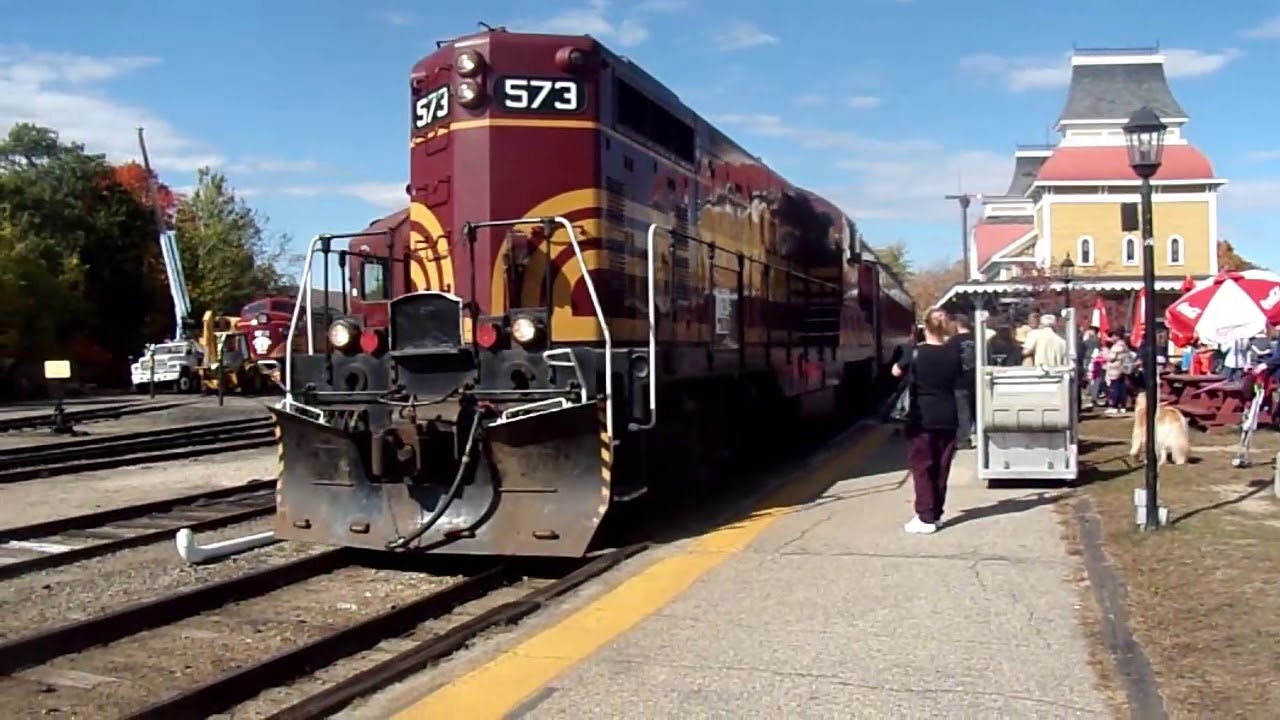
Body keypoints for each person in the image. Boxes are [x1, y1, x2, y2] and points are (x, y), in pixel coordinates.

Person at [891, 308, 963, 535]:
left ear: (925, 327)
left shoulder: (915, 353)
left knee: (922, 466)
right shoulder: (954, 353)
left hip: (922, 415)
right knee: (942, 468)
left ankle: (925, 516)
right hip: (949, 415)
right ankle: (936, 513)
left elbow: (895, 372)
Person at [947, 313, 977, 449]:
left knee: (963, 412)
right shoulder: (979, 339)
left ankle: (964, 440)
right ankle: (984, 437)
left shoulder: (953, 342)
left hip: (959, 381)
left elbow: (951, 363)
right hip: (978, 380)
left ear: (957, 325)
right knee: (978, 410)